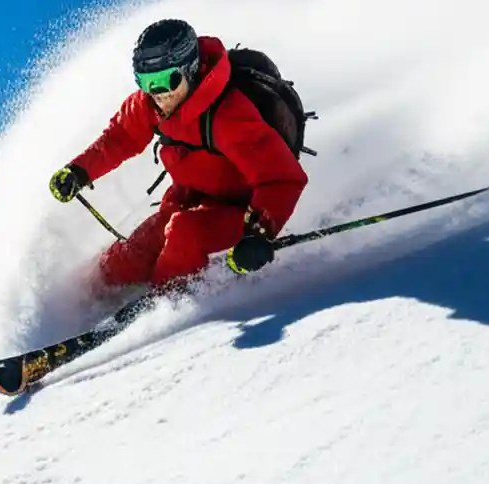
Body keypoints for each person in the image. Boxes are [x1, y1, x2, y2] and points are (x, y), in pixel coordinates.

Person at [48, 18, 308, 301]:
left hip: (241, 214)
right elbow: (119, 138)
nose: (159, 93)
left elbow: (281, 178)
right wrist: (79, 171)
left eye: (167, 80)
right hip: (187, 201)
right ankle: (84, 303)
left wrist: (258, 234)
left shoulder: (228, 115)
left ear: (191, 70)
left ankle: (165, 304)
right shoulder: (149, 105)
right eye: (147, 82)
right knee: (131, 255)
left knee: (184, 233)